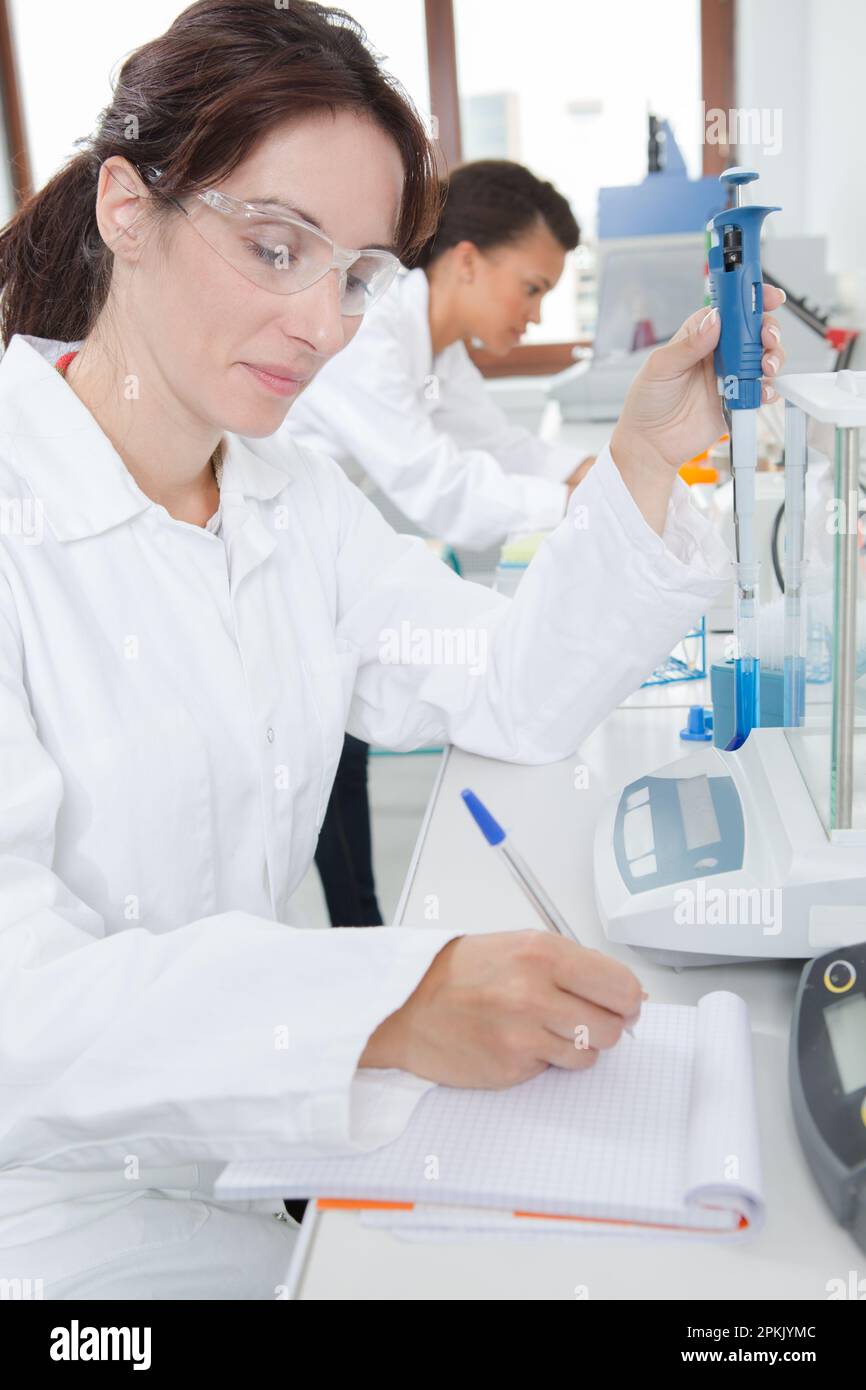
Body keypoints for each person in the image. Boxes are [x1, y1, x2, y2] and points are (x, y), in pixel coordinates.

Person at [0, 0, 784, 1300]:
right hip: (43, 1214)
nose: (323, 324)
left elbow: (507, 687)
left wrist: (642, 463)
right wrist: (390, 998)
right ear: (125, 210)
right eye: (272, 247)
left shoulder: (285, 501)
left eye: (357, 273)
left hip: (237, 1146)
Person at [286, 158, 595, 927]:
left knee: (339, 747)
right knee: (327, 756)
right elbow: (438, 487)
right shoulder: (373, 329)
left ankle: (361, 931)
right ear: (465, 261)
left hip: (316, 549)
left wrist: (600, 475)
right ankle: (359, 938)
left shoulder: (437, 345)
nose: (534, 315)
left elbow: (498, 448)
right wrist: (573, 502)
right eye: (532, 288)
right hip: (274, 550)